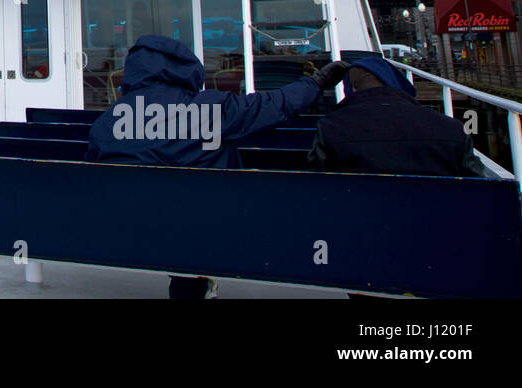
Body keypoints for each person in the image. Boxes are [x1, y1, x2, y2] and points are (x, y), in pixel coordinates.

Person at [88, 35, 349, 299]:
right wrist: (316, 83)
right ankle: (193, 279)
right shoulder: (209, 109)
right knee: (217, 149)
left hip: (130, 229)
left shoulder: (107, 121)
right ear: (185, 68)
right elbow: (273, 105)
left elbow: (93, 172)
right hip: (202, 225)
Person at [308, 56, 486, 177]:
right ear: (394, 85)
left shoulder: (329, 129)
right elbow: (479, 186)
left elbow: (321, 186)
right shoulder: (452, 130)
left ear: (353, 89)